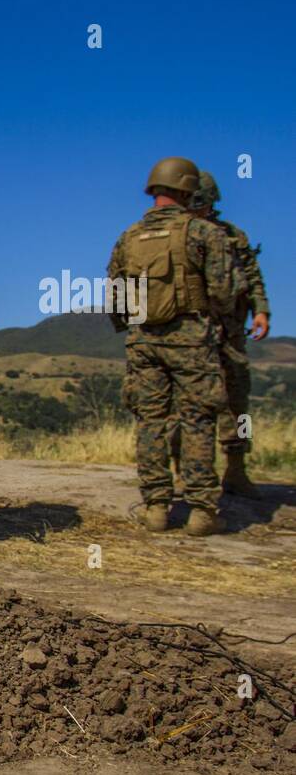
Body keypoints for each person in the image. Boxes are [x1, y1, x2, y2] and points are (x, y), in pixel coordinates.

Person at [106, 157, 236, 536]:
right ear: (186, 189)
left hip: (143, 341)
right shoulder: (204, 233)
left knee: (150, 421)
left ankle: (156, 507)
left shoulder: (129, 236)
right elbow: (225, 293)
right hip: (192, 339)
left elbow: (114, 294)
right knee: (197, 420)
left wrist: (131, 329)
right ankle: (200, 511)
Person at [190, 169, 271, 498]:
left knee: (237, 401)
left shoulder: (233, 237)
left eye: (202, 204)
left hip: (230, 331)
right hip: (191, 335)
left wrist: (261, 309)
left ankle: (237, 469)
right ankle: (189, 471)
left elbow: (252, 275)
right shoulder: (180, 237)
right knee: (191, 404)